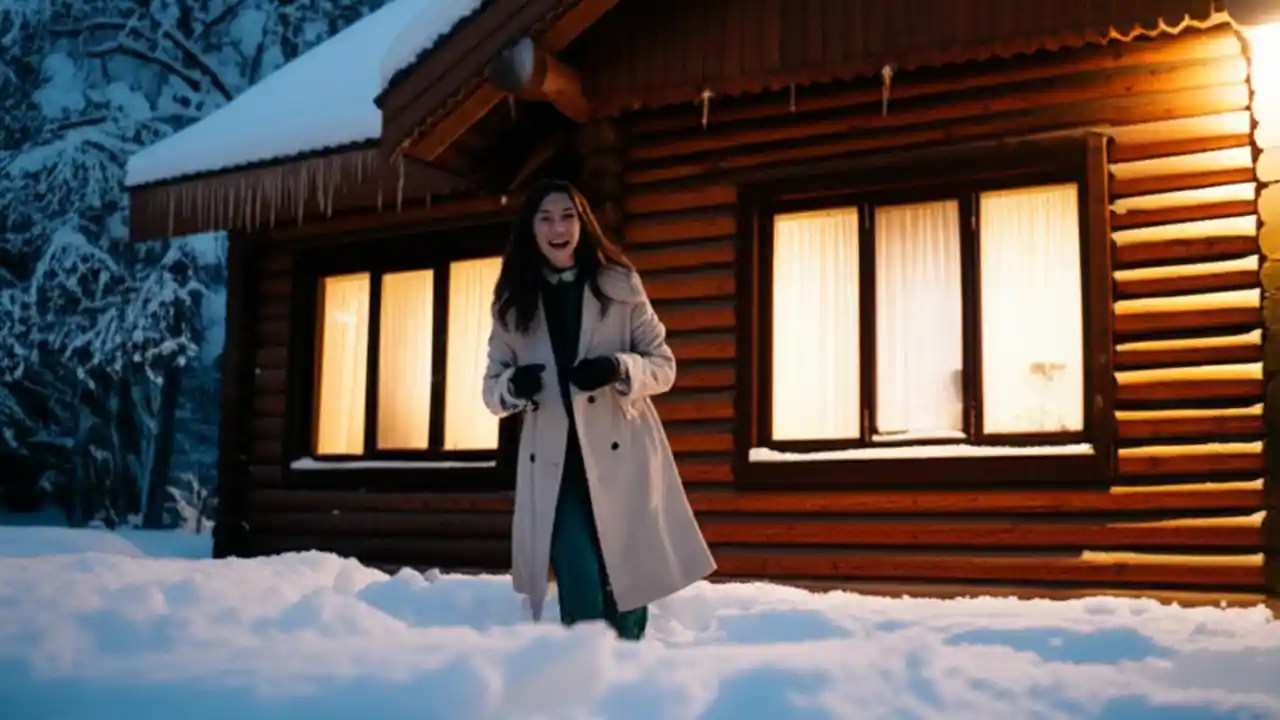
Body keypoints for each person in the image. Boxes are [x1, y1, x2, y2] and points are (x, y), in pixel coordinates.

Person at [482, 178, 716, 640]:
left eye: (568, 216)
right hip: (556, 464)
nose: (558, 228)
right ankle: (587, 679)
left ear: (583, 223)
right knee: (580, 574)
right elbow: (491, 392)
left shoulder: (620, 285)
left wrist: (617, 367)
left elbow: (664, 365)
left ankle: (628, 683)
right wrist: (516, 385)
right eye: (546, 217)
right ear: (530, 228)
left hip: (621, 453)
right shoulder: (513, 305)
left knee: (625, 577)